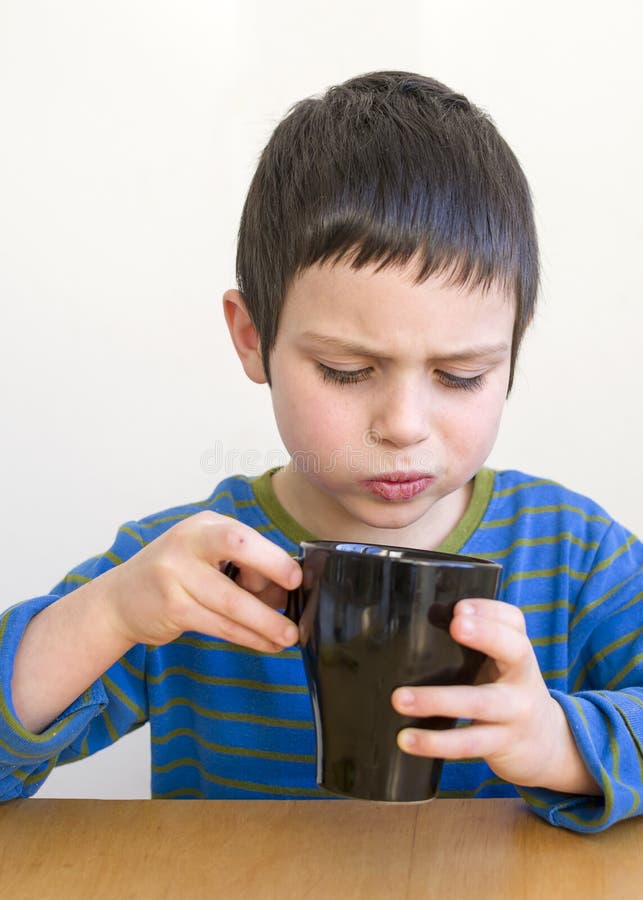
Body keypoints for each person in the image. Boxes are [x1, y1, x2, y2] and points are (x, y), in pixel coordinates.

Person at [1, 71, 641, 833]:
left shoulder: (574, 554)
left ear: (510, 350)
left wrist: (559, 742)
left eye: (460, 375)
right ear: (252, 338)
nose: (404, 425)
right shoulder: (181, 575)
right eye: (345, 371)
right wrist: (107, 614)